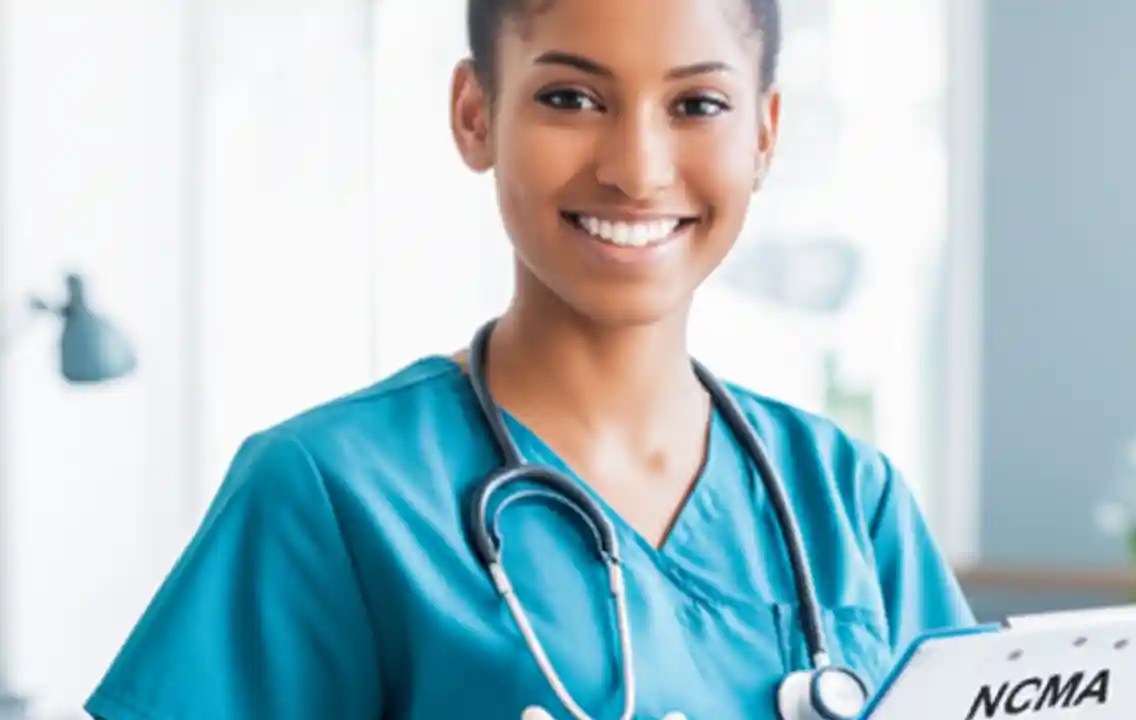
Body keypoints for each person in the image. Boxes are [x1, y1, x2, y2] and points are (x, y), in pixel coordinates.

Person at [85, 0, 974, 717]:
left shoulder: (848, 499)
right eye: (572, 99)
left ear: (765, 135)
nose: (637, 169)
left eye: (697, 105)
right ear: (475, 116)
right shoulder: (333, 492)